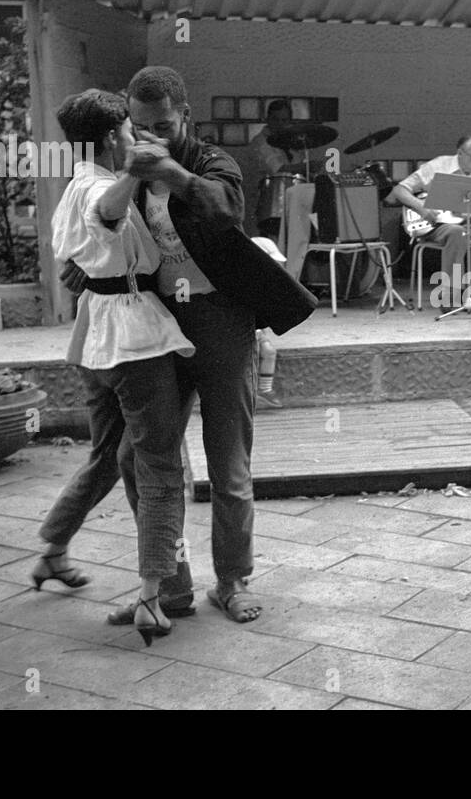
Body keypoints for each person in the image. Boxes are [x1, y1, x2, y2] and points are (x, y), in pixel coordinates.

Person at [53, 66, 266, 624]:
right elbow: (111, 232)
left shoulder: (210, 162)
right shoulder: (130, 169)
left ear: (185, 116)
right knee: (137, 459)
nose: (151, 137)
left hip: (219, 321)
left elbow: (225, 210)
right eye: (140, 126)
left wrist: (170, 170)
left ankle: (233, 580)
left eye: (164, 126)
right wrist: (87, 270)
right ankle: (169, 587)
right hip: (156, 325)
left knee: (229, 465)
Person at [35, 89, 195, 646]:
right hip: (133, 340)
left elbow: (73, 251)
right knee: (158, 466)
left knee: (107, 455)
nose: (135, 135)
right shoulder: (103, 187)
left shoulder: (71, 184)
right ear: (111, 138)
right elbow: (107, 214)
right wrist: (134, 172)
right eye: (129, 128)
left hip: (94, 336)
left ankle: (52, 550)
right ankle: (154, 595)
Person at [387, 134, 471, 291]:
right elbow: (400, 190)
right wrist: (422, 208)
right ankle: (451, 294)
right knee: (457, 232)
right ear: (460, 153)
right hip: (436, 225)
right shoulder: (439, 165)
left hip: (468, 224)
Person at [245, 99, 296, 238]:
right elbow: (278, 169)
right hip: (263, 207)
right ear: (268, 119)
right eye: (275, 119)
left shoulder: (290, 143)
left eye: (284, 120)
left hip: (284, 205)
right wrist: (305, 167)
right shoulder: (261, 142)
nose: (279, 124)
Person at [250, 236, 287, 408]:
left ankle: (265, 390)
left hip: (256, 330)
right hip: (242, 331)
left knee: (269, 351)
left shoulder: (264, 285)